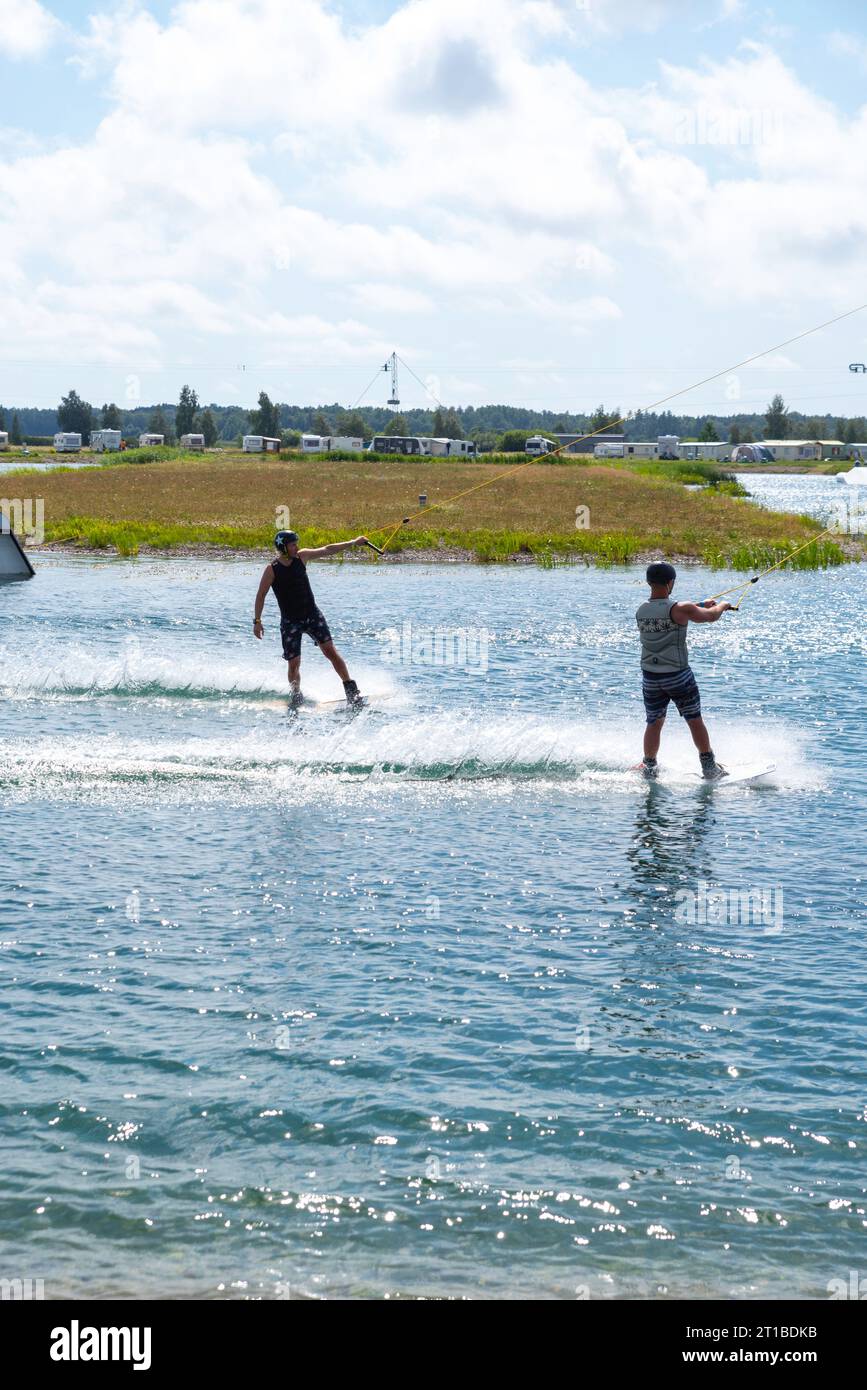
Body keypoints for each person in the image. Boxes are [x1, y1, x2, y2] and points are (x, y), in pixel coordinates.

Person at [635, 561, 733, 780]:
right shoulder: (682, 608)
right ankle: (709, 768)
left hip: (650, 677)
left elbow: (672, 611)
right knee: (694, 719)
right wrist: (722, 605)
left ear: (649, 582)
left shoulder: (641, 609)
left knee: (654, 721)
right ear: (671, 582)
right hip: (678, 676)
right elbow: (710, 616)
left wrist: (700, 603)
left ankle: (649, 767)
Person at [253, 530, 368, 709]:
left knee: (330, 652)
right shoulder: (272, 569)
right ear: (283, 547)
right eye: (292, 544)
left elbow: (328, 549)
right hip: (290, 622)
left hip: (312, 615)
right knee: (294, 664)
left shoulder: (302, 557)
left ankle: (351, 691)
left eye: (296, 544)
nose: (296, 547)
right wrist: (257, 621)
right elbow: (261, 595)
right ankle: (296, 695)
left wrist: (353, 542)